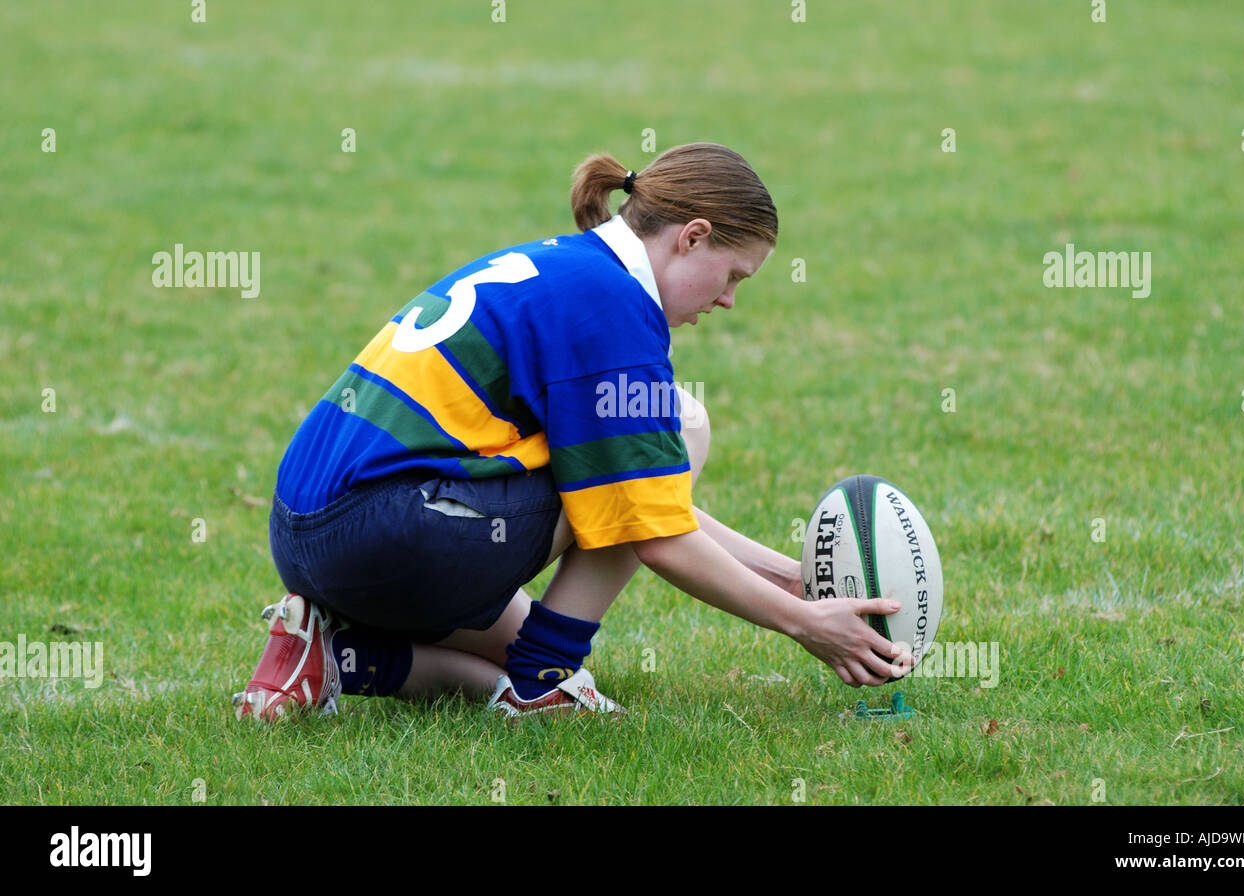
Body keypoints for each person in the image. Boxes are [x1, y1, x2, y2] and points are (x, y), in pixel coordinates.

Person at [233, 142, 913, 722]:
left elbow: (648, 499)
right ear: (693, 235)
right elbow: (653, 530)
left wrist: (795, 581)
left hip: (311, 538)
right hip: (393, 531)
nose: (730, 299)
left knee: (513, 646)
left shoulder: (571, 265)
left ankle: (335, 655)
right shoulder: (611, 306)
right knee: (683, 421)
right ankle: (545, 680)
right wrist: (803, 624)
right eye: (734, 274)